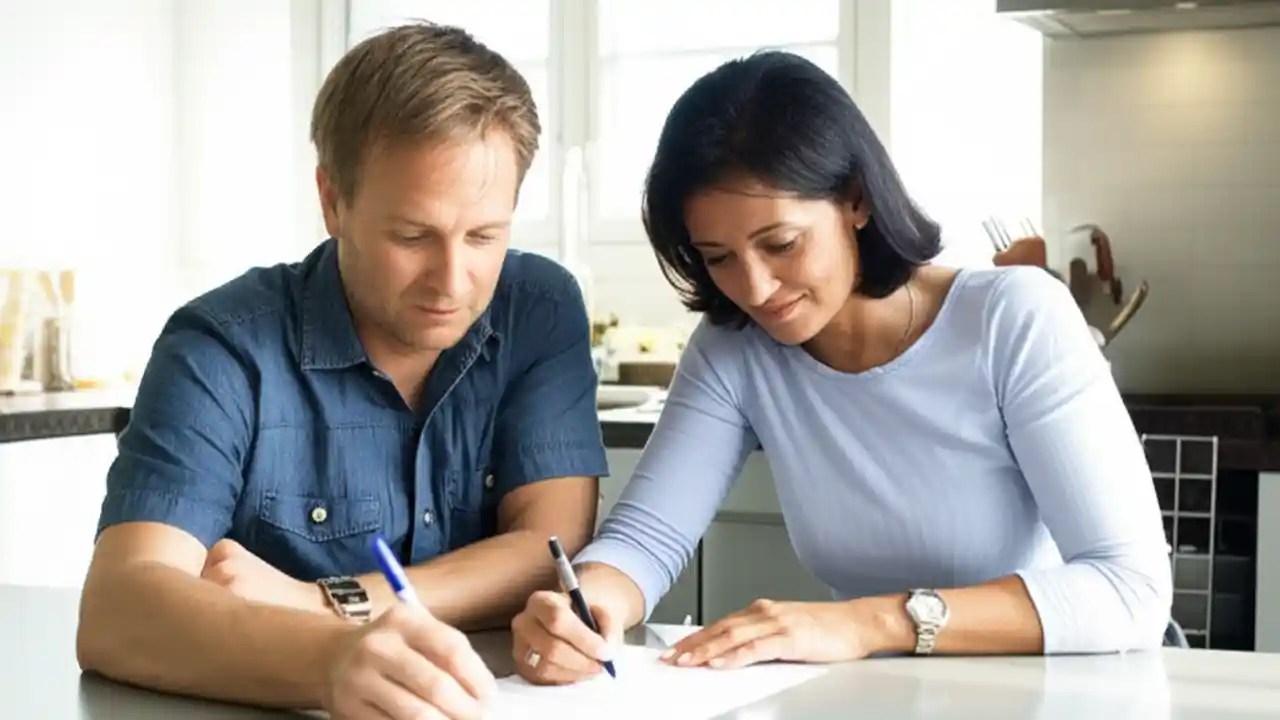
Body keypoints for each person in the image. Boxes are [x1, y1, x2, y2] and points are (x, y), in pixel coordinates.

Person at [510, 50, 1172, 685]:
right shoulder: (736, 348)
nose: (756, 287)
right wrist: (588, 607)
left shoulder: (1013, 318)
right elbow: (646, 541)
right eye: (718, 257)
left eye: (781, 244)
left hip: (1068, 687)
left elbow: (1129, 588)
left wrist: (869, 623)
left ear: (856, 198)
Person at [76, 22, 608, 719]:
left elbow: (552, 545)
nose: (453, 280)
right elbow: (120, 608)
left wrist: (334, 602)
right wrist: (330, 657)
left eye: (485, 236)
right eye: (412, 236)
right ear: (332, 201)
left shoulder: (539, 307)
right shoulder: (221, 347)